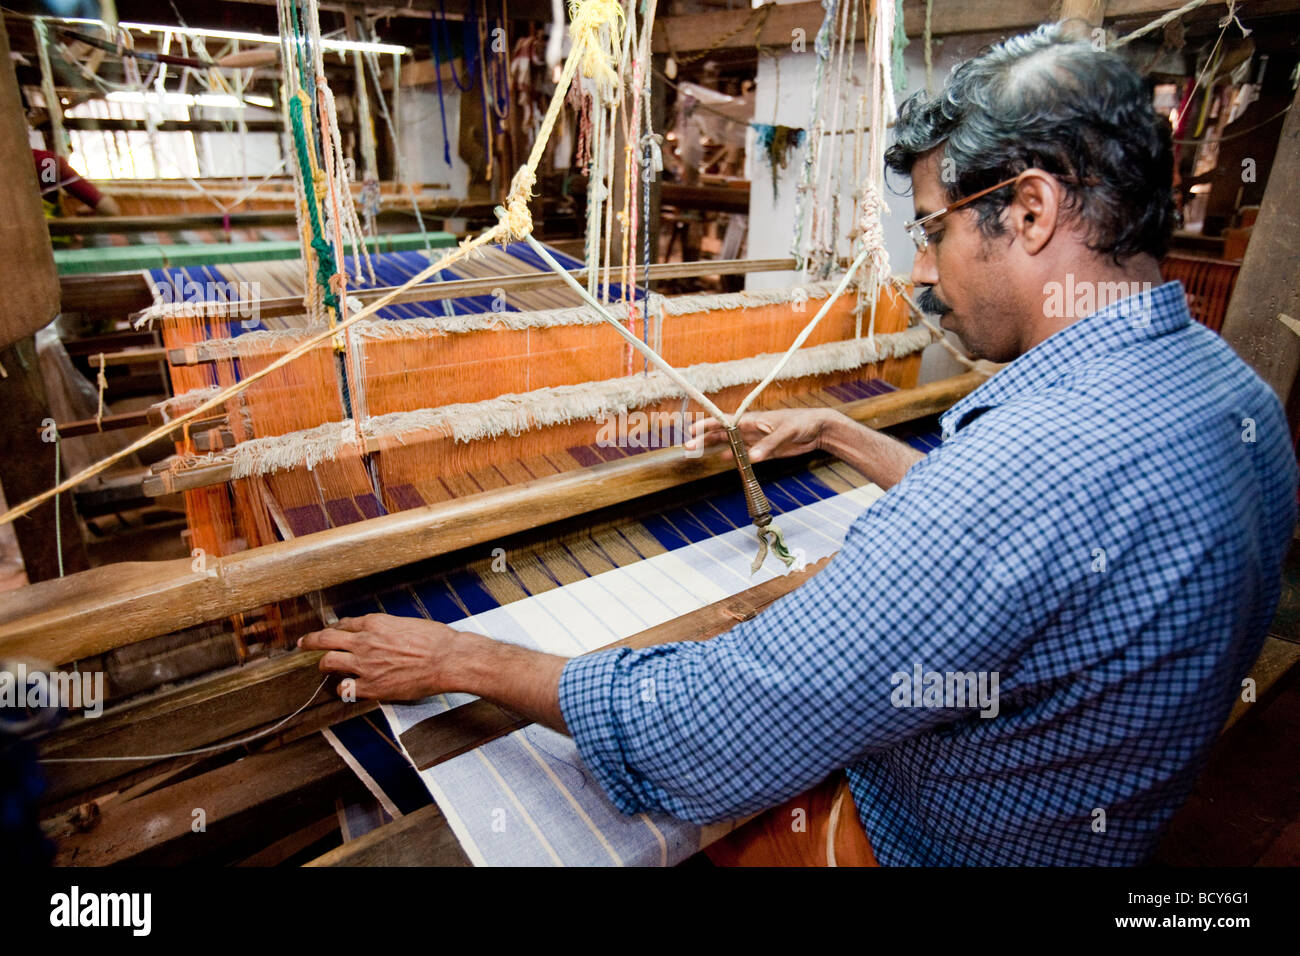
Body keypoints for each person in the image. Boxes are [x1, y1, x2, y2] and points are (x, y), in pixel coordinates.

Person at [299, 26, 1297, 865]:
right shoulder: (1234, 399)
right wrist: (836, 430)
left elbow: (711, 730)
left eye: (931, 227)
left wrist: (468, 654)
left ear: (1029, 212)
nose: (918, 269)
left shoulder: (1020, 472)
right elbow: (1052, 559)